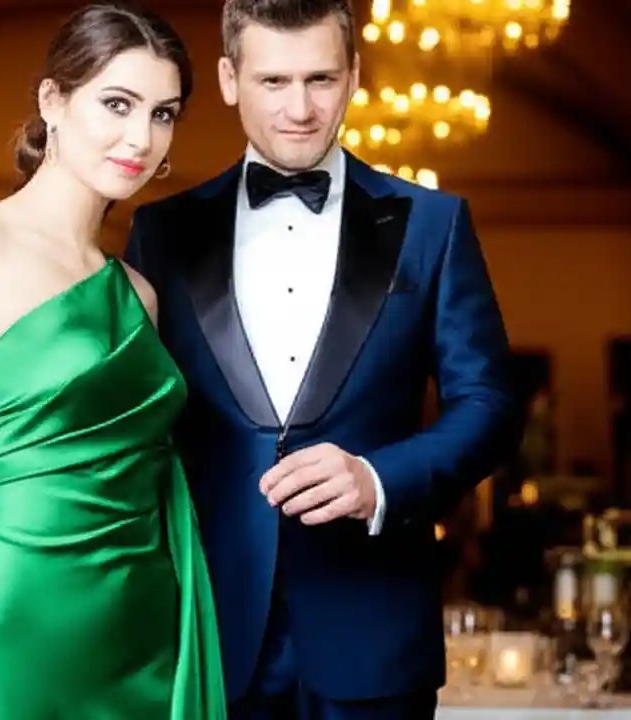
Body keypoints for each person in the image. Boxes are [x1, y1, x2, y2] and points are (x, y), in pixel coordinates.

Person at [124, 1, 518, 718]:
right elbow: (136, 423)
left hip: (375, 631)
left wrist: (379, 479)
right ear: (229, 79)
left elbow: (489, 405)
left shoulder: (434, 224)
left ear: (354, 76)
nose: (301, 109)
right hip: (210, 628)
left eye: (321, 79)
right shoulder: (162, 232)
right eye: (274, 81)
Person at [0, 4, 225, 719]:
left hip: (142, 632)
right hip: (7, 626)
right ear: (52, 101)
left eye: (163, 114)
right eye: (117, 104)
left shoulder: (139, 295)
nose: (141, 137)